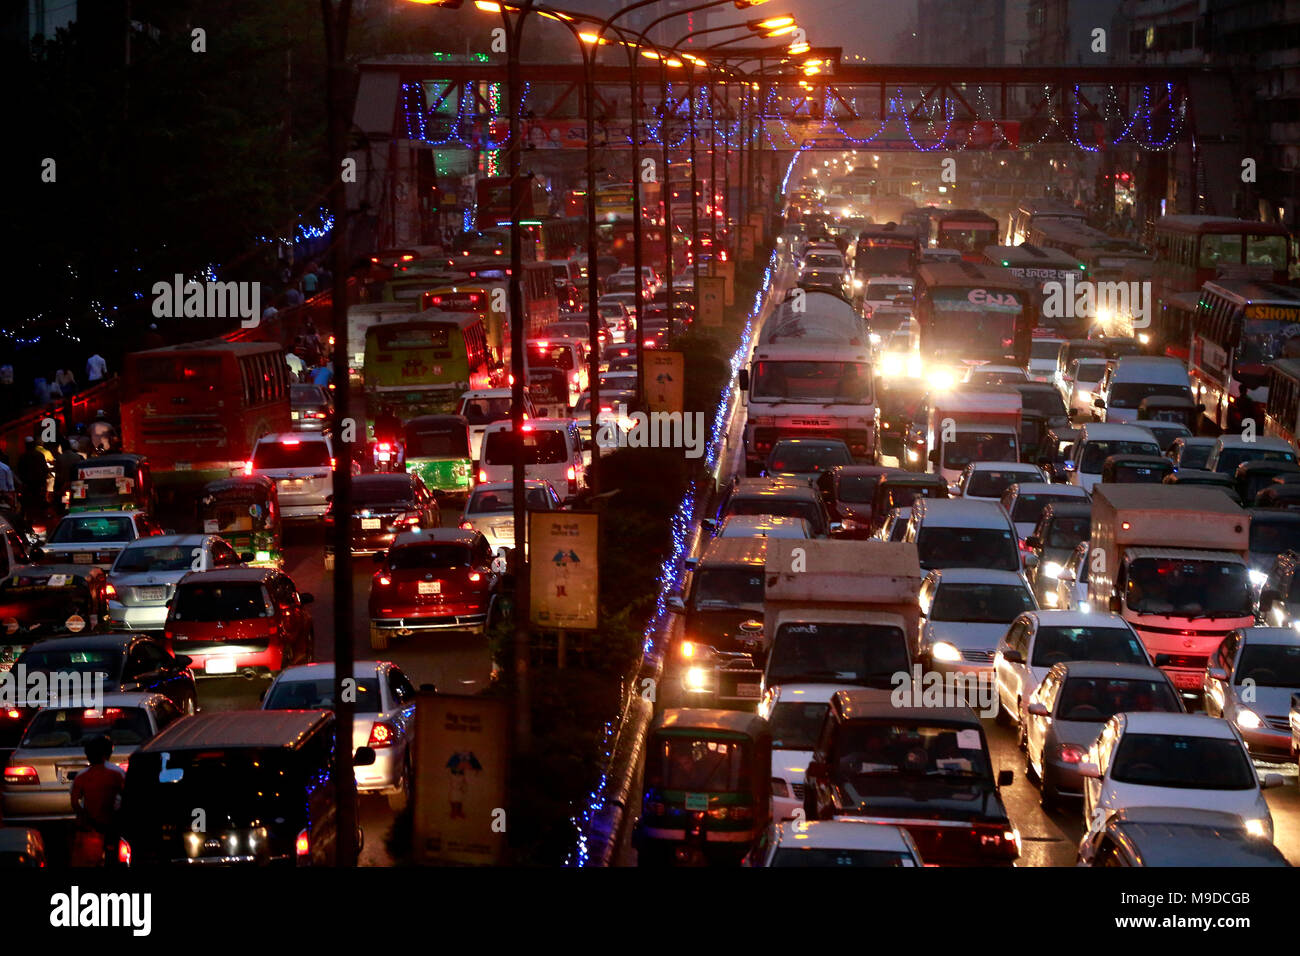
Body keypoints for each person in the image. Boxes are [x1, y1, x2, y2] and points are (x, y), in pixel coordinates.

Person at [70, 734, 126, 866]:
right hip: (113, 823)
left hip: (90, 828)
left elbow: (74, 802)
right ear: (108, 753)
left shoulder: (81, 776)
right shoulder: (117, 773)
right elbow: (126, 796)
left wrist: (84, 816)